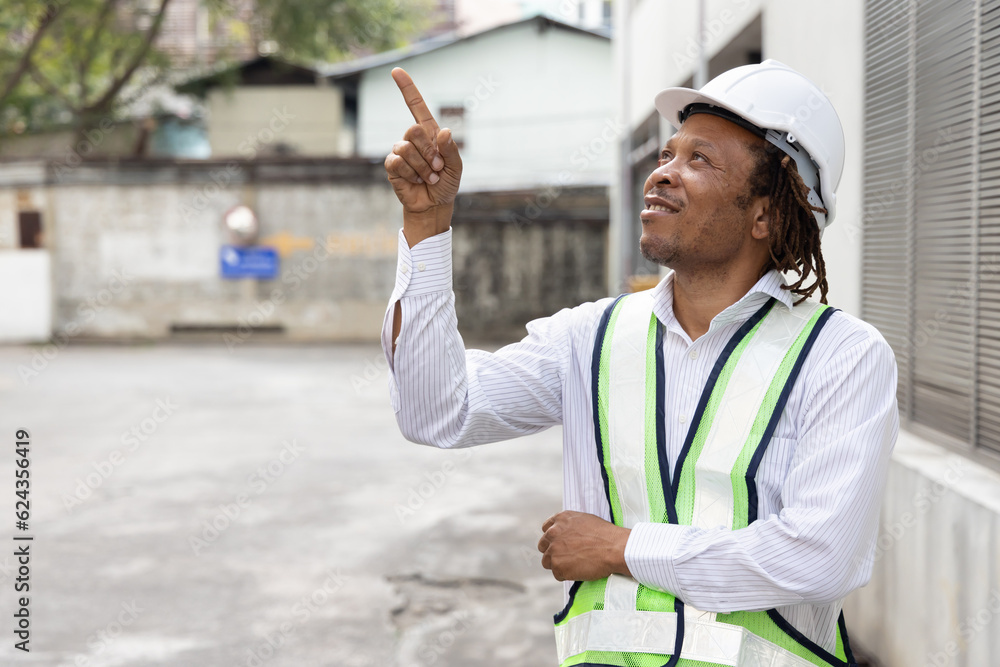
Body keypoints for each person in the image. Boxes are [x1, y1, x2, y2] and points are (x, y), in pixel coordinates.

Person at [382, 61, 897, 667]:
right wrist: (427, 224)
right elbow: (436, 412)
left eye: (699, 160)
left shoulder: (842, 357)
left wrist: (623, 549)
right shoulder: (591, 337)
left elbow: (819, 557)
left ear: (767, 214)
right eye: (666, 155)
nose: (662, 175)